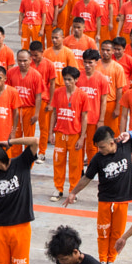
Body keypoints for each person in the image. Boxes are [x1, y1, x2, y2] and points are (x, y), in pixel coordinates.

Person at [63, 126, 132, 264]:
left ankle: (111, 260)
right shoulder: (98, 158)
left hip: (123, 199)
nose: (100, 150)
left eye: (102, 147)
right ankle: (103, 260)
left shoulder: (126, 145)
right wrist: (73, 192)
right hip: (105, 200)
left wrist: (130, 133)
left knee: (117, 233)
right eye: (98, 147)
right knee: (103, 232)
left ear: (112, 143)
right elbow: (87, 177)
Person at [48, 66, 88, 201]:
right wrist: (50, 133)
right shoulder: (58, 93)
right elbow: (54, 113)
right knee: (58, 162)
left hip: (74, 135)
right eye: (65, 79)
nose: (67, 82)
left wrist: (82, 137)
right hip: (60, 134)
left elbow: (84, 117)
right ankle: (58, 188)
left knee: (75, 165)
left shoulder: (83, 96)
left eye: (70, 79)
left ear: (76, 80)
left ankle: (73, 190)